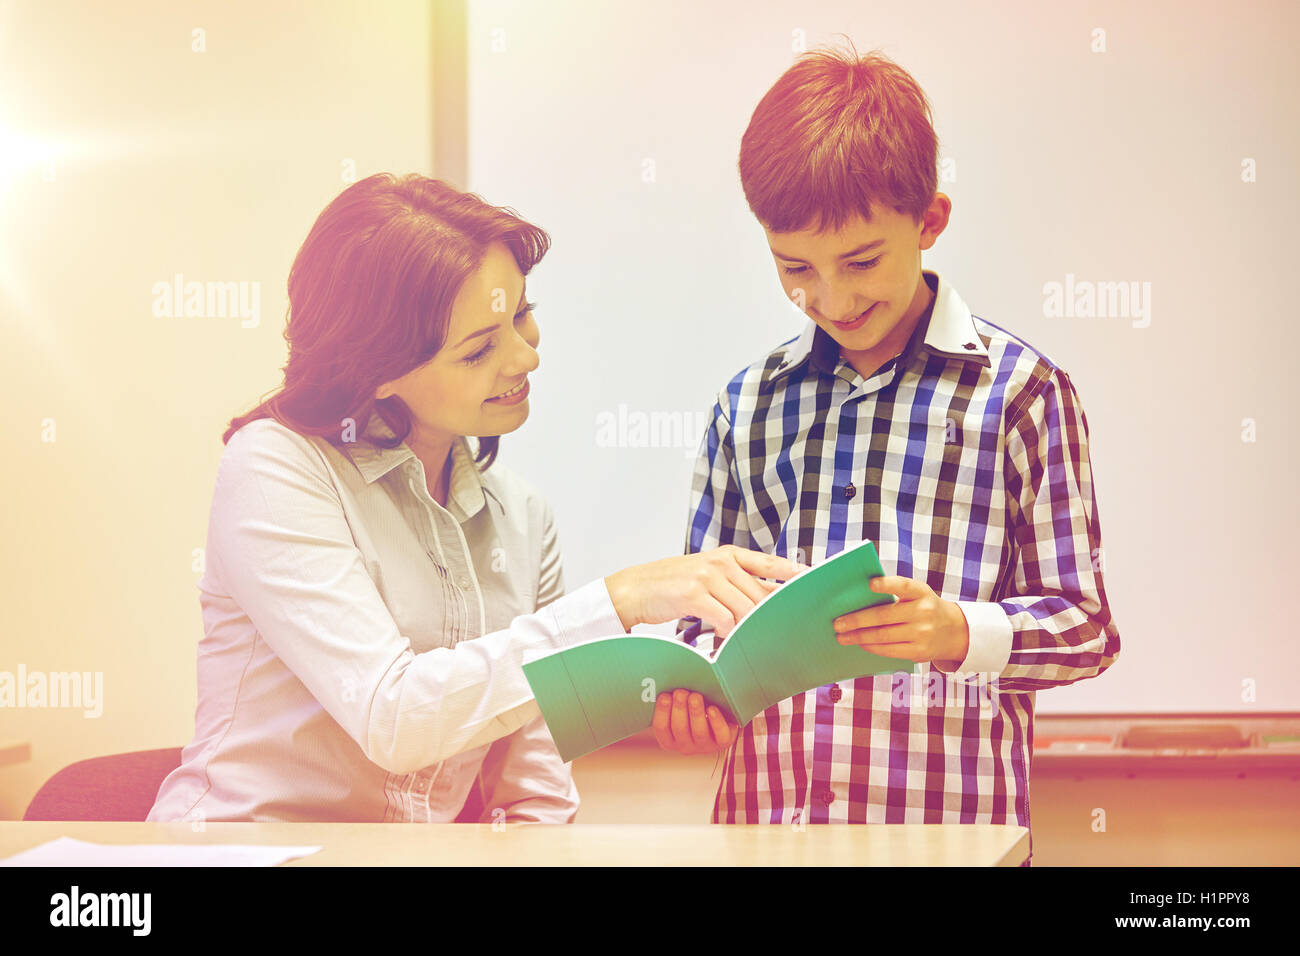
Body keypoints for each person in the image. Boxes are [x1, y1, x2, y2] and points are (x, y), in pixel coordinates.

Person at [147, 172, 802, 825]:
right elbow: (395, 719)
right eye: (480, 349)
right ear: (375, 374)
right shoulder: (273, 468)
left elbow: (535, 793)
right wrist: (622, 600)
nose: (524, 358)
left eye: (521, 315)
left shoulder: (521, 518)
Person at [663, 42, 1122, 867]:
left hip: (954, 841)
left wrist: (956, 631)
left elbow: (1085, 627)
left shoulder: (1021, 395)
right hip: (766, 838)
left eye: (863, 262)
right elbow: (705, 614)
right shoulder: (747, 405)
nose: (832, 300)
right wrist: (696, 681)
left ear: (930, 222)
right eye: (794, 268)